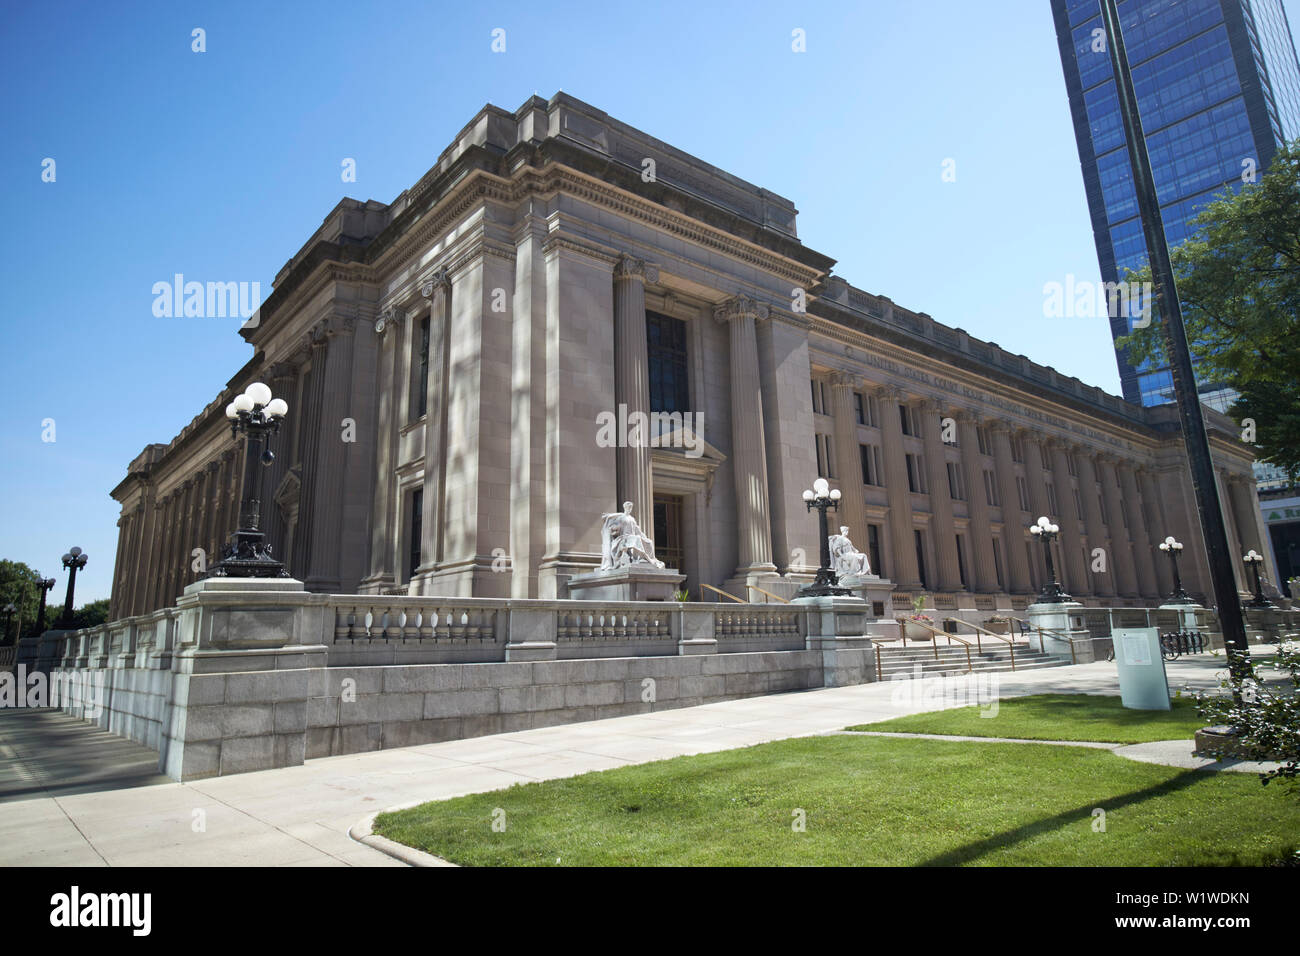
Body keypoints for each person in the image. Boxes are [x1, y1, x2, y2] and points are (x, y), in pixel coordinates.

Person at [599, 501, 665, 570]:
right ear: (625, 508)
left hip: (631, 537)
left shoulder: (632, 519)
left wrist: (645, 538)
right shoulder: (621, 518)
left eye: (630, 508)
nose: (629, 509)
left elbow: (637, 530)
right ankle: (642, 558)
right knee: (636, 539)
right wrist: (613, 530)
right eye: (628, 507)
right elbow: (614, 529)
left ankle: (644, 559)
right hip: (623, 537)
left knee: (649, 542)